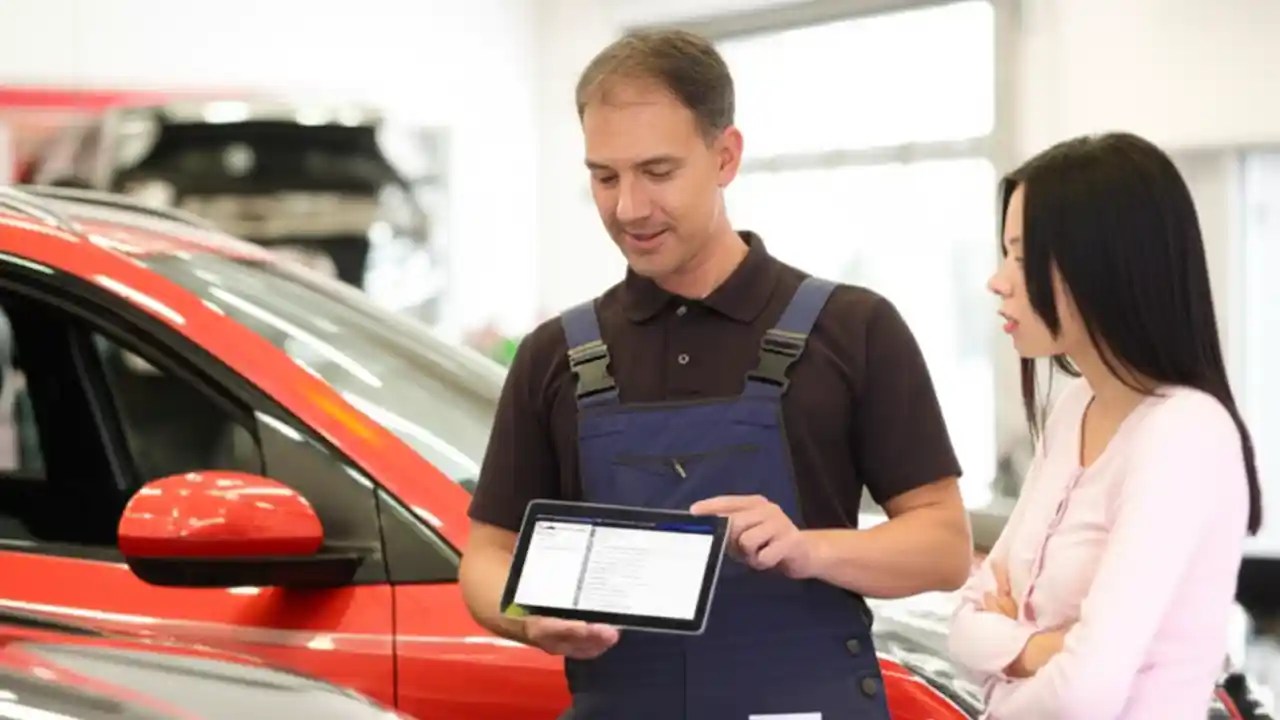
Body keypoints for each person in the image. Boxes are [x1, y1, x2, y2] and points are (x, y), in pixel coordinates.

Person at [459, 28, 974, 719]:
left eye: (658, 172)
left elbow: (942, 546)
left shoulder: (852, 329)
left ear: (725, 156)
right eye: (604, 177)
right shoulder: (554, 354)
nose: (629, 208)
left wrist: (807, 550)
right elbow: (487, 556)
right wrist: (528, 617)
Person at [946, 132, 1262, 719]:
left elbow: (1084, 695)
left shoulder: (1184, 433)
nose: (998, 279)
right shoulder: (1075, 407)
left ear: (1102, 264)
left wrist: (1011, 651)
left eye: (1020, 254)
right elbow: (962, 629)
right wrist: (1046, 649)